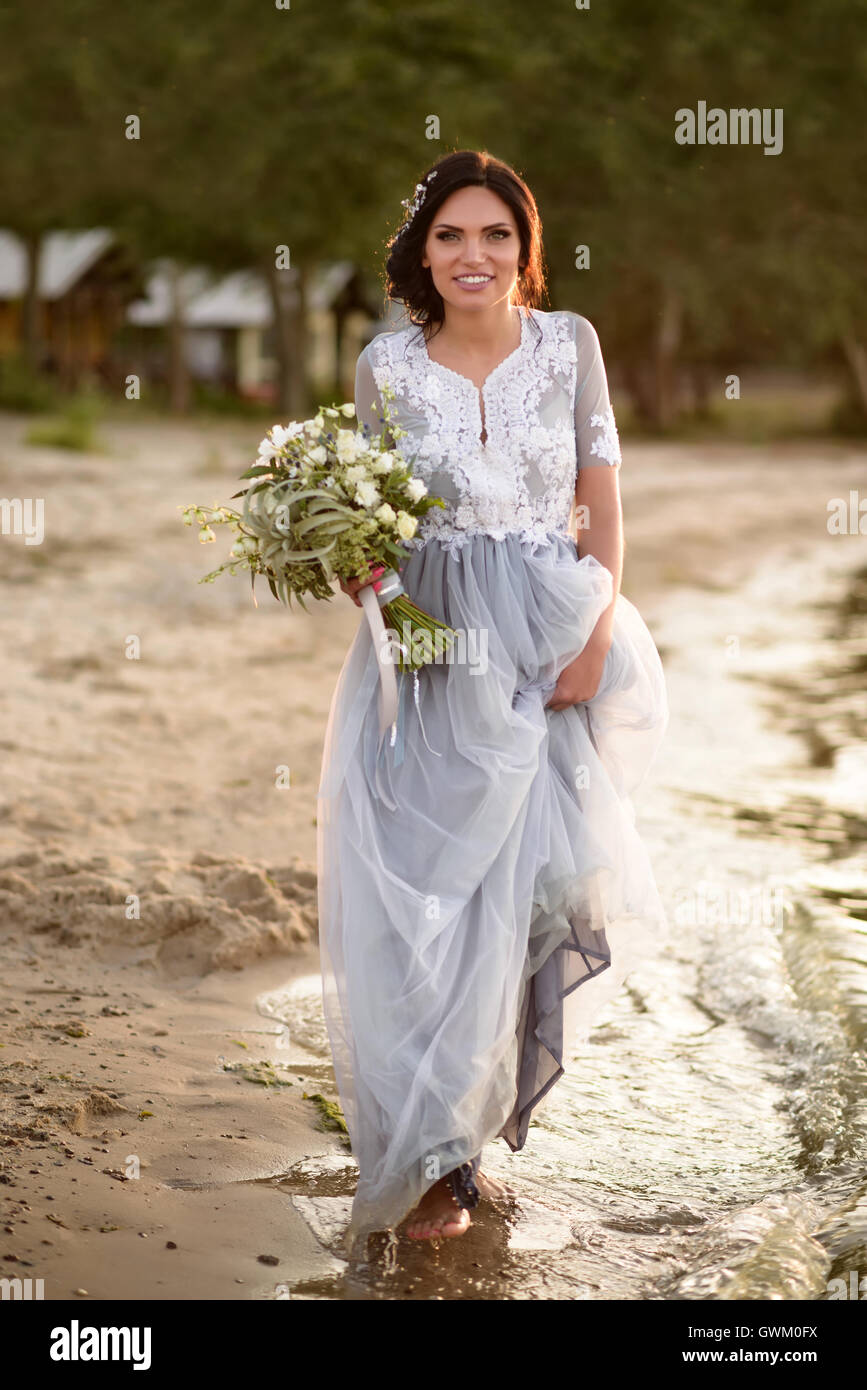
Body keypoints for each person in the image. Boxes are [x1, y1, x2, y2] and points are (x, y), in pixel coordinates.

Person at [316, 149, 668, 1250]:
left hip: (547, 633)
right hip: (424, 652)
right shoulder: (385, 364)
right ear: (422, 252)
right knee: (424, 896)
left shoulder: (572, 349)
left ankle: (464, 1142)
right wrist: (349, 564)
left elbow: (601, 499)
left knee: (519, 899)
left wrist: (596, 629)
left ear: (527, 250)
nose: (476, 256)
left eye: (497, 236)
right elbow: (369, 524)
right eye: (452, 237)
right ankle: (428, 1154)